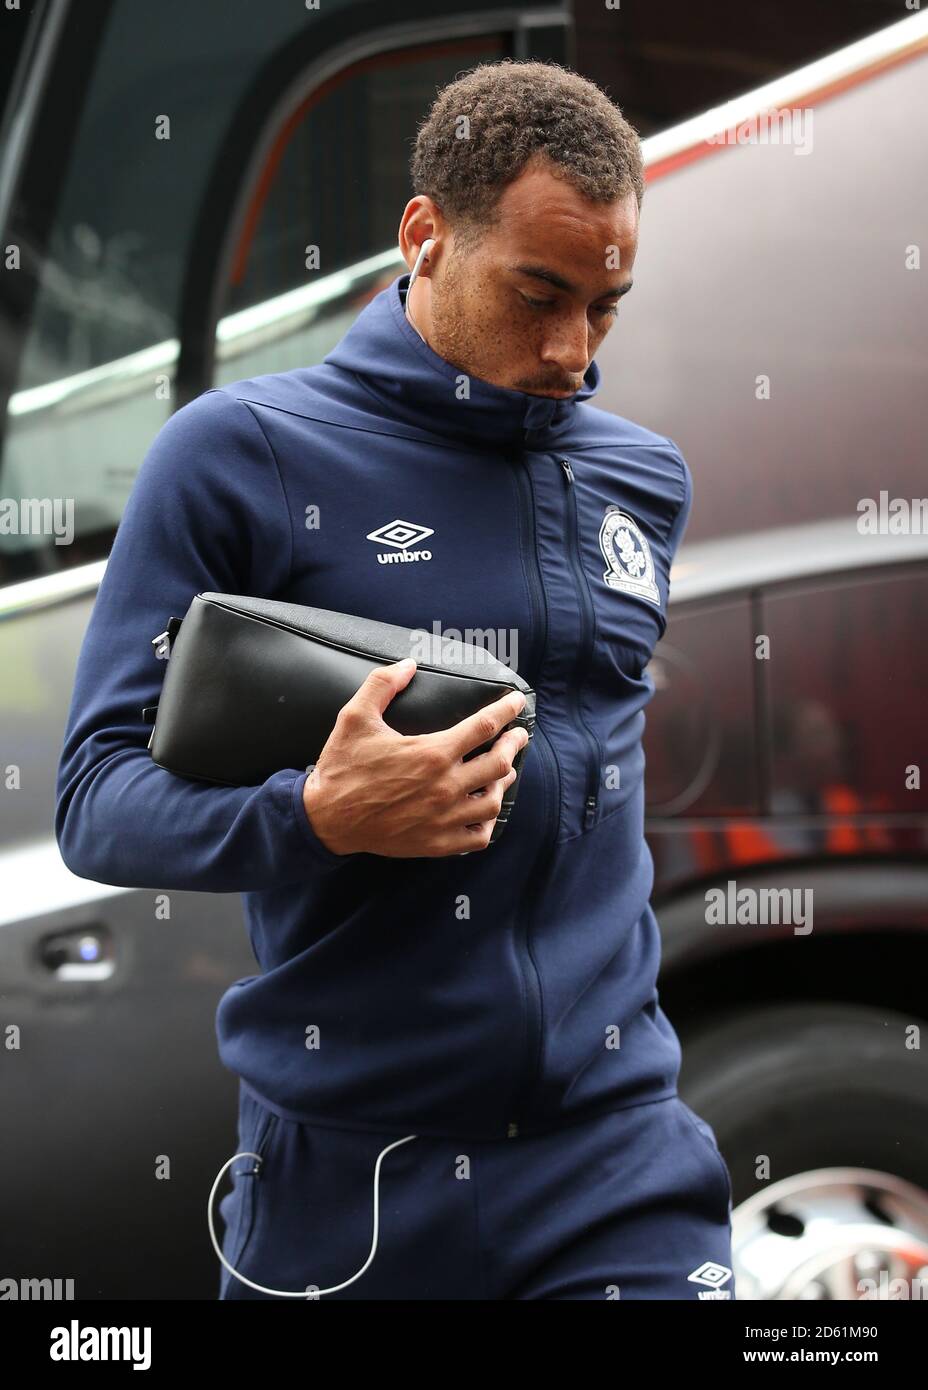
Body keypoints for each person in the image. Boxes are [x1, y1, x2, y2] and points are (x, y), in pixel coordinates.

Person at [55, 58, 734, 1300]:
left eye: (607, 305)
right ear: (423, 236)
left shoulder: (642, 477)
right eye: (538, 293)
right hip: (356, 1184)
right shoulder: (238, 454)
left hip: (617, 1160)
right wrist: (315, 817)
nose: (571, 350)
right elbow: (95, 802)